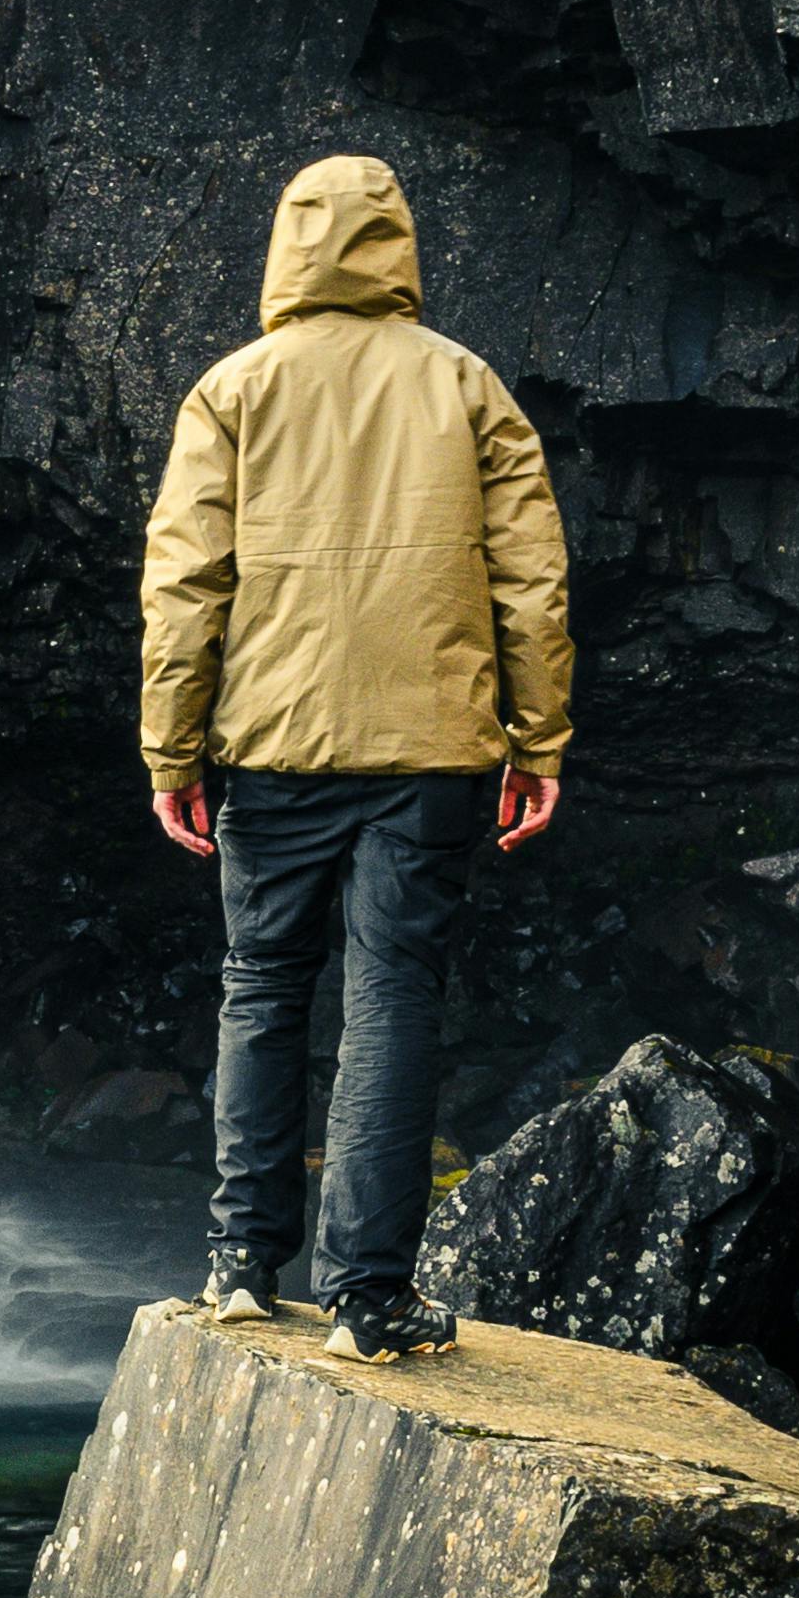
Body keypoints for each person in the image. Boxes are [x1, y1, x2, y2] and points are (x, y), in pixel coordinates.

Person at [139, 150, 572, 1358]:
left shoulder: (231, 389)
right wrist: (536, 740)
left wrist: (170, 748)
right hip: (431, 749)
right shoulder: (466, 387)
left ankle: (237, 1263)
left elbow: (183, 588)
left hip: (269, 744)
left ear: (285, 246)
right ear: (397, 248)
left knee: (260, 984)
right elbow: (530, 584)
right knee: (390, 996)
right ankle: (365, 1298)